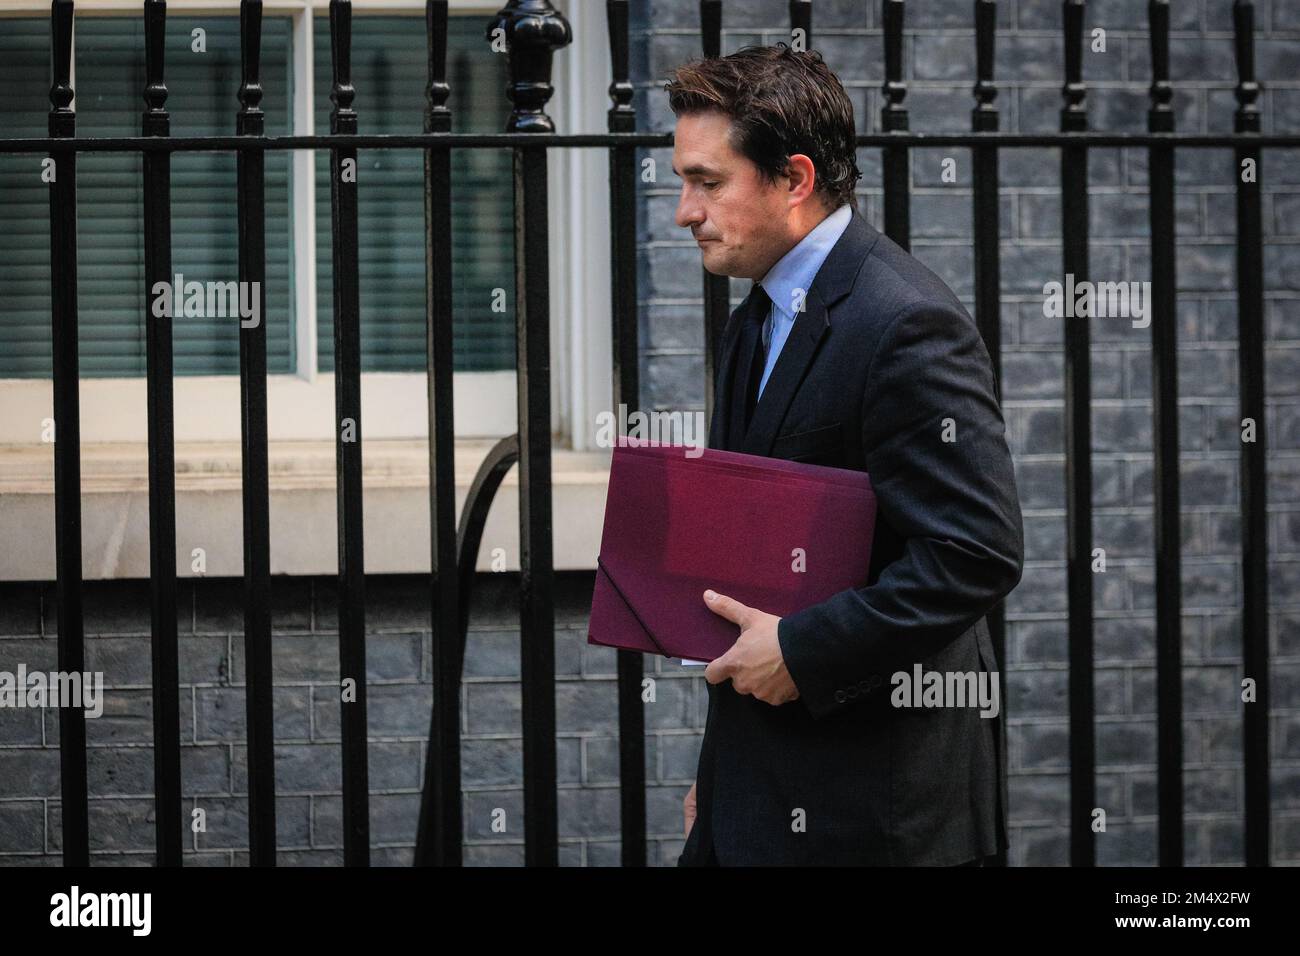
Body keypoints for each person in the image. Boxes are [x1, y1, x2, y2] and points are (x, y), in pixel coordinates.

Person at [666, 44, 1024, 866]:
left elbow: (975, 552)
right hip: (751, 798)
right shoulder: (752, 318)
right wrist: (718, 778)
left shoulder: (906, 323)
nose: (685, 211)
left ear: (794, 180)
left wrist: (802, 650)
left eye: (708, 182)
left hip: (874, 819)